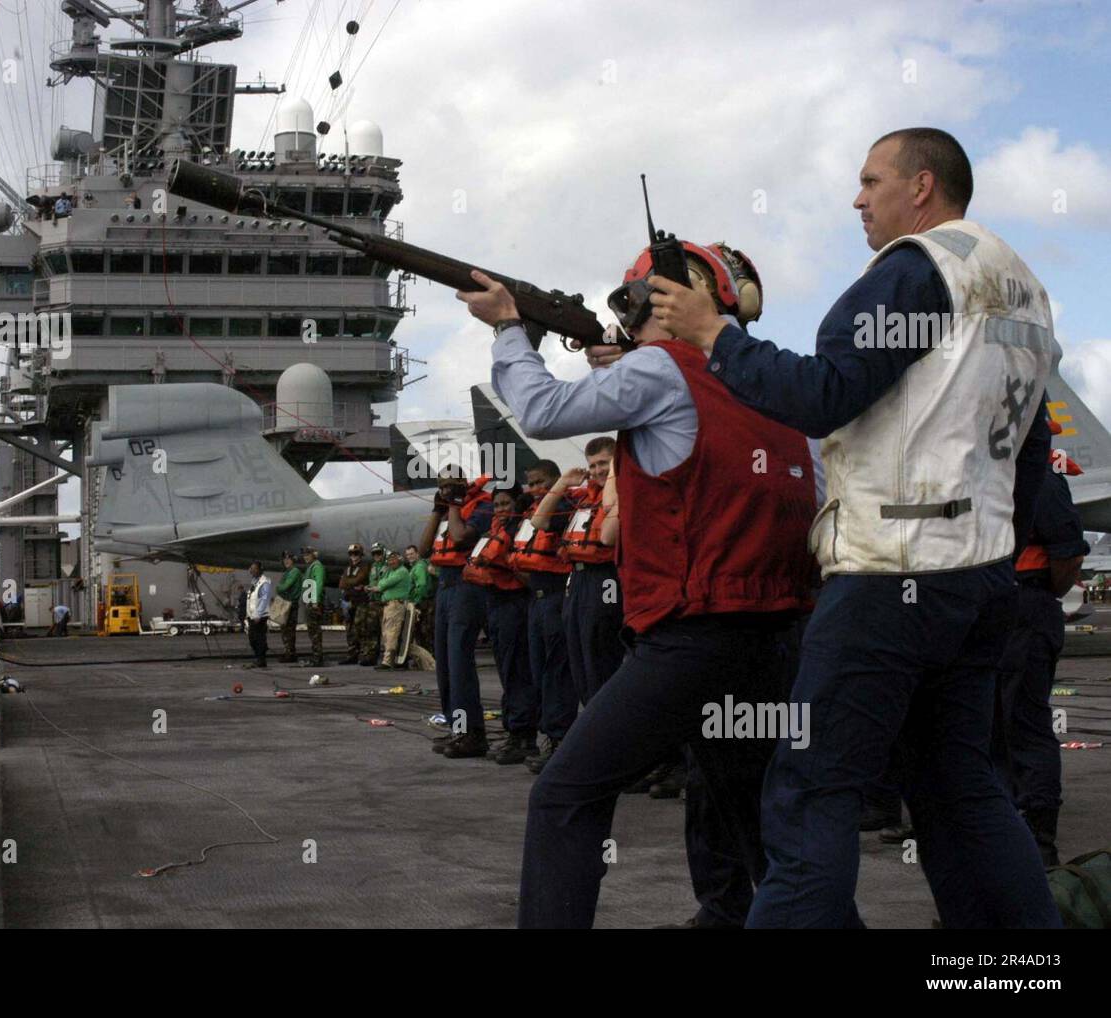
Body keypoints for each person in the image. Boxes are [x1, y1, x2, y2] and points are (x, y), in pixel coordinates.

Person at [638, 127, 1060, 927]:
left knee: (811, 791)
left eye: (871, 181)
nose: (857, 199)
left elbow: (825, 392)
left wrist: (714, 335)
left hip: (889, 574)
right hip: (977, 578)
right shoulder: (1023, 289)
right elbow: (1031, 453)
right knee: (961, 789)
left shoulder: (916, 269)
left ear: (922, 188)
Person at [461, 241, 816, 929]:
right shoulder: (783, 387)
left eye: (634, 306)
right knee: (754, 814)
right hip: (774, 638)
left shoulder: (661, 368)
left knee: (566, 795)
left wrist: (509, 327)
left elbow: (538, 410)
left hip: (692, 636)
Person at [997, 459, 1088, 865]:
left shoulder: (1040, 478)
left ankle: (1038, 840)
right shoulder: (987, 469)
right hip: (992, 608)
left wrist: (1033, 595)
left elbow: (1067, 556)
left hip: (1023, 606)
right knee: (988, 724)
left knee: (1025, 723)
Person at [508, 460, 577, 773]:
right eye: (531, 484)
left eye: (540, 483)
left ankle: (561, 740)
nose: (534, 489)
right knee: (539, 672)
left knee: (556, 672)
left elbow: (545, 523)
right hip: (535, 600)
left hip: (553, 598)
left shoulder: (561, 506)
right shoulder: (530, 512)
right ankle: (549, 736)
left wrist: (559, 487)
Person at [419, 466, 494, 758]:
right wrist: (437, 511)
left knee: (460, 661)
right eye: (442, 485)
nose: (447, 489)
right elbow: (425, 549)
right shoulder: (445, 512)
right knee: (445, 664)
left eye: (453, 484)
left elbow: (461, 537)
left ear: (465, 483)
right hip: (445, 586)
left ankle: (472, 734)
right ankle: (456, 727)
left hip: (466, 584)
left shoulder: (482, 505)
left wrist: (454, 505)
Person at [463, 484, 539, 764]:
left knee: (518, 670)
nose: (501, 510)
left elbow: (526, 574)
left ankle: (524, 736)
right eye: (496, 505)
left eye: (506, 504)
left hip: (514, 604)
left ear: (517, 505)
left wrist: (506, 562)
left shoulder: (521, 531)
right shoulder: (493, 532)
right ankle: (514, 731)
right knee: (507, 672)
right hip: (495, 604)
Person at [550, 437, 625, 705]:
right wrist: (562, 482)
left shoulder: (626, 492)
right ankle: (592, 718)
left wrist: (617, 472)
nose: (596, 471)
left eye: (604, 463)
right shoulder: (584, 499)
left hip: (606, 579)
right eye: (592, 466)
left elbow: (607, 537)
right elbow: (540, 520)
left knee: (601, 654)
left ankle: (609, 728)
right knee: (578, 656)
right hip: (578, 581)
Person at [371, 550, 412, 669]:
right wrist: (381, 584)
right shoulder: (391, 571)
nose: (391, 562)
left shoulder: (401, 572)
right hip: (389, 605)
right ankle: (398, 660)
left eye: (394, 559)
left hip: (395, 605)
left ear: (400, 560)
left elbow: (383, 585)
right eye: (389, 560)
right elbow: (381, 582)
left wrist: (380, 585)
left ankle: (388, 662)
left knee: (391, 633)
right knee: (388, 633)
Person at [353, 544, 388, 666]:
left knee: (387, 632)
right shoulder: (373, 567)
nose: (376, 556)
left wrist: (377, 588)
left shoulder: (387, 567)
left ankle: (389, 658)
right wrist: (366, 588)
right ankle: (372, 656)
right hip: (373, 601)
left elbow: (386, 583)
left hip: (384, 602)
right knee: (371, 630)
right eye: (374, 554)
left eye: (379, 553)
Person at [338, 544, 371, 664]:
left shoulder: (364, 567)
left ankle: (363, 654)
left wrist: (349, 582)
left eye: (356, 554)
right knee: (350, 629)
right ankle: (352, 654)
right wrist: (352, 584)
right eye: (351, 554)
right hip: (348, 602)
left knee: (360, 629)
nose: (353, 556)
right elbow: (341, 584)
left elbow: (359, 579)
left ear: (360, 555)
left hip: (360, 602)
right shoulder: (347, 568)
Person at [405, 545, 436, 654]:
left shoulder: (419, 567)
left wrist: (415, 601)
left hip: (424, 602)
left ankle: (429, 658)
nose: (409, 557)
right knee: (425, 631)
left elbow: (422, 585)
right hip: (426, 601)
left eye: (412, 554)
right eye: (408, 555)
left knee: (424, 631)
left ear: (417, 554)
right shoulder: (417, 566)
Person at [300, 546, 327, 666]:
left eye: (308, 554)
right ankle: (316, 656)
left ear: (314, 555)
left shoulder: (317, 567)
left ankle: (318, 658)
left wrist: (315, 601)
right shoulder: (311, 567)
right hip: (310, 602)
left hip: (313, 604)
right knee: (312, 631)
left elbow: (319, 583)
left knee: (315, 631)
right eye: (304, 555)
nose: (305, 556)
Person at [275, 551, 303, 663]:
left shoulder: (294, 572)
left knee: (289, 630)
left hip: (290, 604)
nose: (286, 561)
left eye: (289, 559)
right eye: (285, 559)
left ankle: (291, 653)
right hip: (285, 603)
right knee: (285, 630)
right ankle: (288, 652)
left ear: (293, 560)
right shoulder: (288, 572)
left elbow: (283, 587)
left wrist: (279, 587)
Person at [244, 561, 272, 668]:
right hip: (252, 616)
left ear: (260, 570)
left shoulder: (264, 583)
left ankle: (261, 659)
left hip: (260, 616)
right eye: (251, 568)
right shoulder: (254, 582)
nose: (252, 571)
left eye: (254, 569)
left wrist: (258, 615)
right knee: (253, 638)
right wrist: (248, 614)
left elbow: (264, 599)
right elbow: (251, 599)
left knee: (258, 638)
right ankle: (259, 657)